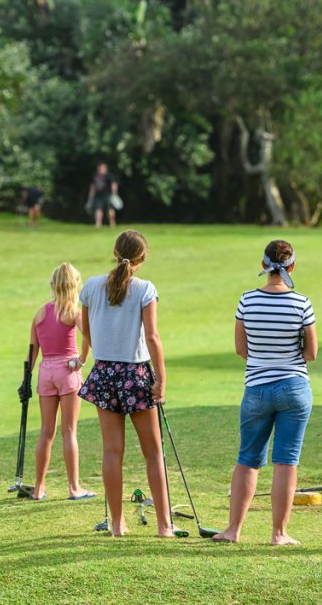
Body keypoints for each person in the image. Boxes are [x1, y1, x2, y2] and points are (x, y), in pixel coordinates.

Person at [213, 240, 318, 546]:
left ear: (263, 266)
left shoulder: (247, 301)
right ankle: (279, 533)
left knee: (248, 459)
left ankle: (233, 530)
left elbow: (240, 349)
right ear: (292, 267)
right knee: (286, 461)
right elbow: (311, 353)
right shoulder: (302, 303)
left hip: (256, 388)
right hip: (294, 389)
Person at [77, 230, 179, 537]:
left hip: (104, 371)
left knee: (112, 451)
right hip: (135, 374)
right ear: (142, 258)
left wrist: (100, 351)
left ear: (114, 251)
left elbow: (85, 327)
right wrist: (161, 379)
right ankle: (164, 525)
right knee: (153, 453)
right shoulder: (145, 289)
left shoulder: (92, 286)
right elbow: (153, 337)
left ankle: (117, 524)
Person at [28, 263, 95, 501]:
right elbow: (89, 336)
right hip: (67, 372)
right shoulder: (74, 313)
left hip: (45, 372)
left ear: (53, 285)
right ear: (75, 285)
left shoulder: (40, 313)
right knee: (69, 431)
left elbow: (32, 351)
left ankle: (39, 488)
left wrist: (26, 380)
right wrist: (82, 360)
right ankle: (74, 487)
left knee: (46, 432)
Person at [87, 163, 119, 228]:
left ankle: (112, 224)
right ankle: (98, 224)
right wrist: (90, 196)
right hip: (98, 196)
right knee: (98, 209)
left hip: (108, 195)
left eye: (103, 168)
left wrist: (114, 194)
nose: (102, 170)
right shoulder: (95, 176)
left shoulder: (109, 176)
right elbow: (93, 186)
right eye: (100, 168)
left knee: (110, 210)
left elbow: (114, 184)